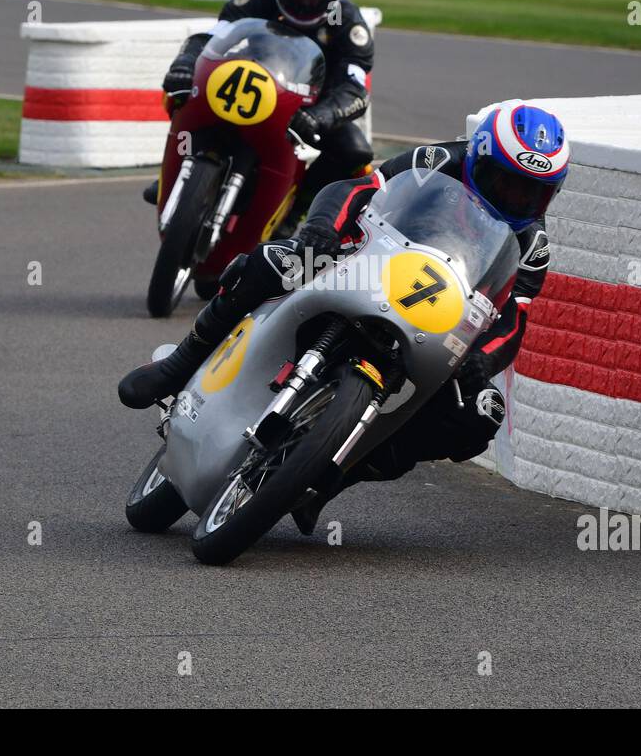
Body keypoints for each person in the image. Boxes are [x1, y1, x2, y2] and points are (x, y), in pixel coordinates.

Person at [121, 101, 569, 532]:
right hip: (364, 262)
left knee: (480, 414)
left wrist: (483, 361)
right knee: (271, 261)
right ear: (479, 158)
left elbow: (513, 320)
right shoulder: (437, 159)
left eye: (534, 191)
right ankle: (176, 367)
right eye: (507, 182)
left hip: (436, 323)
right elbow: (355, 189)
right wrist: (321, 233)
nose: (518, 198)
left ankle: (333, 475)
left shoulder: (532, 246)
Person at [143, 0, 375, 210]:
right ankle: (180, 166)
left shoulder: (349, 23)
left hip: (309, 108)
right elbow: (209, 39)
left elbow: (355, 87)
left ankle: (299, 207)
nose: (303, 1)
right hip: (254, 82)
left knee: (354, 152)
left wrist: (321, 116)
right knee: (181, 90)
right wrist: (184, 64)